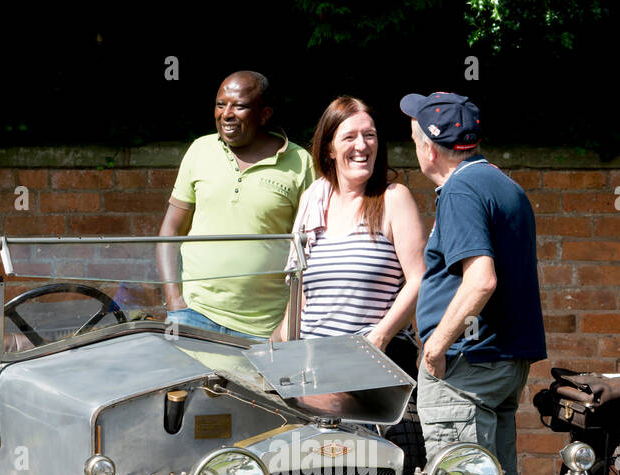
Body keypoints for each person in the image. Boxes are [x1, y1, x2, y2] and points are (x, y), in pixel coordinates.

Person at [402, 90, 546, 475]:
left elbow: (480, 279)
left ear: (432, 145)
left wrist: (437, 343)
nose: (411, 142)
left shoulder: (459, 190)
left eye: (415, 134)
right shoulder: (503, 185)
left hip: (466, 364)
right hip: (505, 364)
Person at [271, 96, 425, 374]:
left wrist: (379, 338)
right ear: (329, 148)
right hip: (312, 366)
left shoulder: (393, 199)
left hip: (374, 368)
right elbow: (301, 291)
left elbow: (419, 279)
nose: (362, 145)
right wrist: (278, 346)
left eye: (369, 135)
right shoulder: (312, 200)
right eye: (349, 137)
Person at [159, 71, 315, 340]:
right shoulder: (200, 150)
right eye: (221, 105)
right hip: (194, 315)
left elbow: (310, 250)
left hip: (265, 328)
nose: (227, 114)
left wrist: (288, 323)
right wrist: (175, 302)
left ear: (264, 114)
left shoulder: (301, 163)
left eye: (239, 106)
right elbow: (170, 230)